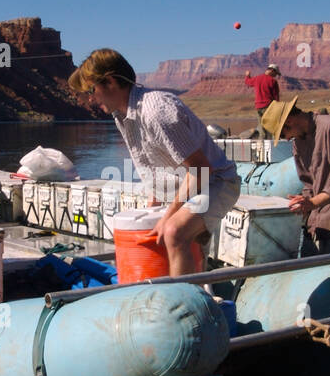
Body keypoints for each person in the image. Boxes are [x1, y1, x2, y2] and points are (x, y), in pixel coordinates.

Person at [69, 48, 240, 275]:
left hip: (216, 182)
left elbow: (201, 170)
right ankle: (192, 294)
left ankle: (181, 305)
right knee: (176, 239)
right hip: (189, 186)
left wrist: (168, 216)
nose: (90, 99)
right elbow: (152, 163)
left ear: (110, 82)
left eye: (92, 90)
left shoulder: (155, 111)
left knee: (173, 232)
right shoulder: (122, 115)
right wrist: (155, 202)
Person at [261, 97, 330, 255]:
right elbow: (308, 183)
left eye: (283, 133)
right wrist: (301, 204)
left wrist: (313, 202)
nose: (286, 139)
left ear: (291, 120)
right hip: (317, 222)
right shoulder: (297, 143)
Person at [244, 64, 281, 136]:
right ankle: (272, 145)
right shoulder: (273, 81)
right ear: (272, 71)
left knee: (262, 128)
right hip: (268, 107)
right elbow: (276, 97)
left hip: (258, 107)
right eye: (276, 73)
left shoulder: (257, 78)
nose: (276, 75)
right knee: (271, 127)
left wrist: (247, 76)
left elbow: (248, 82)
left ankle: (263, 144)